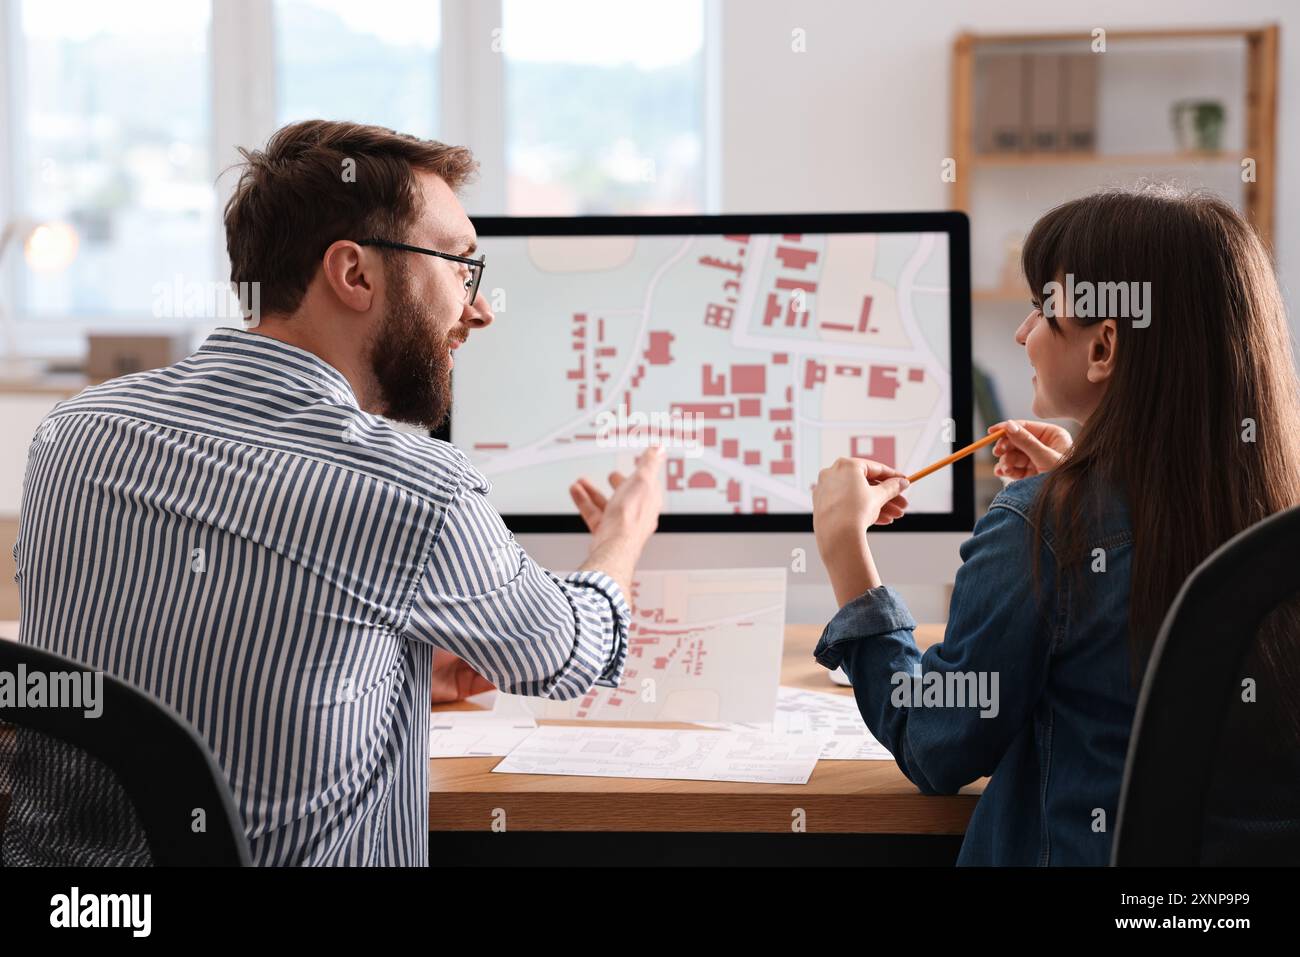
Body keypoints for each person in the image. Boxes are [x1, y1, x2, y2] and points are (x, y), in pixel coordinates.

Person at [11, 120, 663, 866]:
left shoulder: (72, 435)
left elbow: (174, 657)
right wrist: (624, 532)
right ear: (354, 274)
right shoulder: (416, 490)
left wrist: (385, 667)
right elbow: (571, 652)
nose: (478, 310)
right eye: (459, 267)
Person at [810, 185, 1300, 865]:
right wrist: (1082, 488)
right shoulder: (1276, 520)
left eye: (1043, 307)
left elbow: (935, 742)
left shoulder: (1041, 527)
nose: (1022, 332)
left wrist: (846, 558)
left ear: (1103, 349)